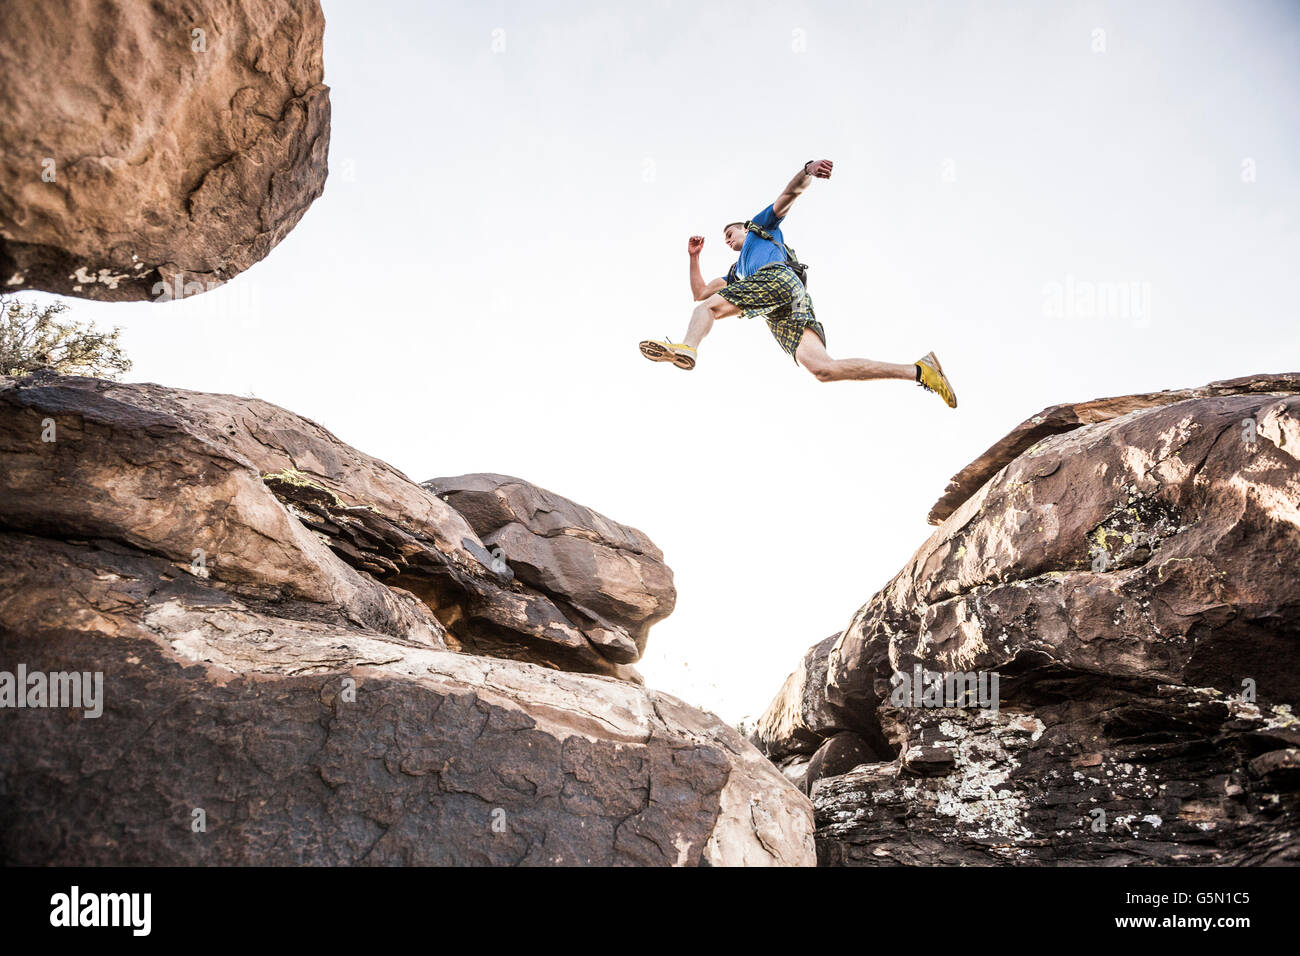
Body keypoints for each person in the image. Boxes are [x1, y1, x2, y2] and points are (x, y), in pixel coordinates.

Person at [638, 158, 957, 407]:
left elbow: (789, 195)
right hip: (788, 305)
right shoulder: (738, 272)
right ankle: (921, 371)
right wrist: (694, 257)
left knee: (712, 309)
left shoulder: (759, 229)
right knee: (824, 370)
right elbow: (701, 294)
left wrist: (807, 170)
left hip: (777, 279)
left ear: (744, 230)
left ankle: (688, 348)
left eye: (730, 234)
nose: (727, 240)